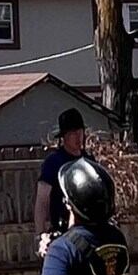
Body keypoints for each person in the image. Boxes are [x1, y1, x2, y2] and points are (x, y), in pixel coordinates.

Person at [35, 109, 89, 257]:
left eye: (80, 131)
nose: (78, 137)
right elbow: (42, 200)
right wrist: (41, 236)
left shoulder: (89, 162)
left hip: (88, 234)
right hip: (62, 233)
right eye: (73, 133)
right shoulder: (53, 163)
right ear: (64, 137)